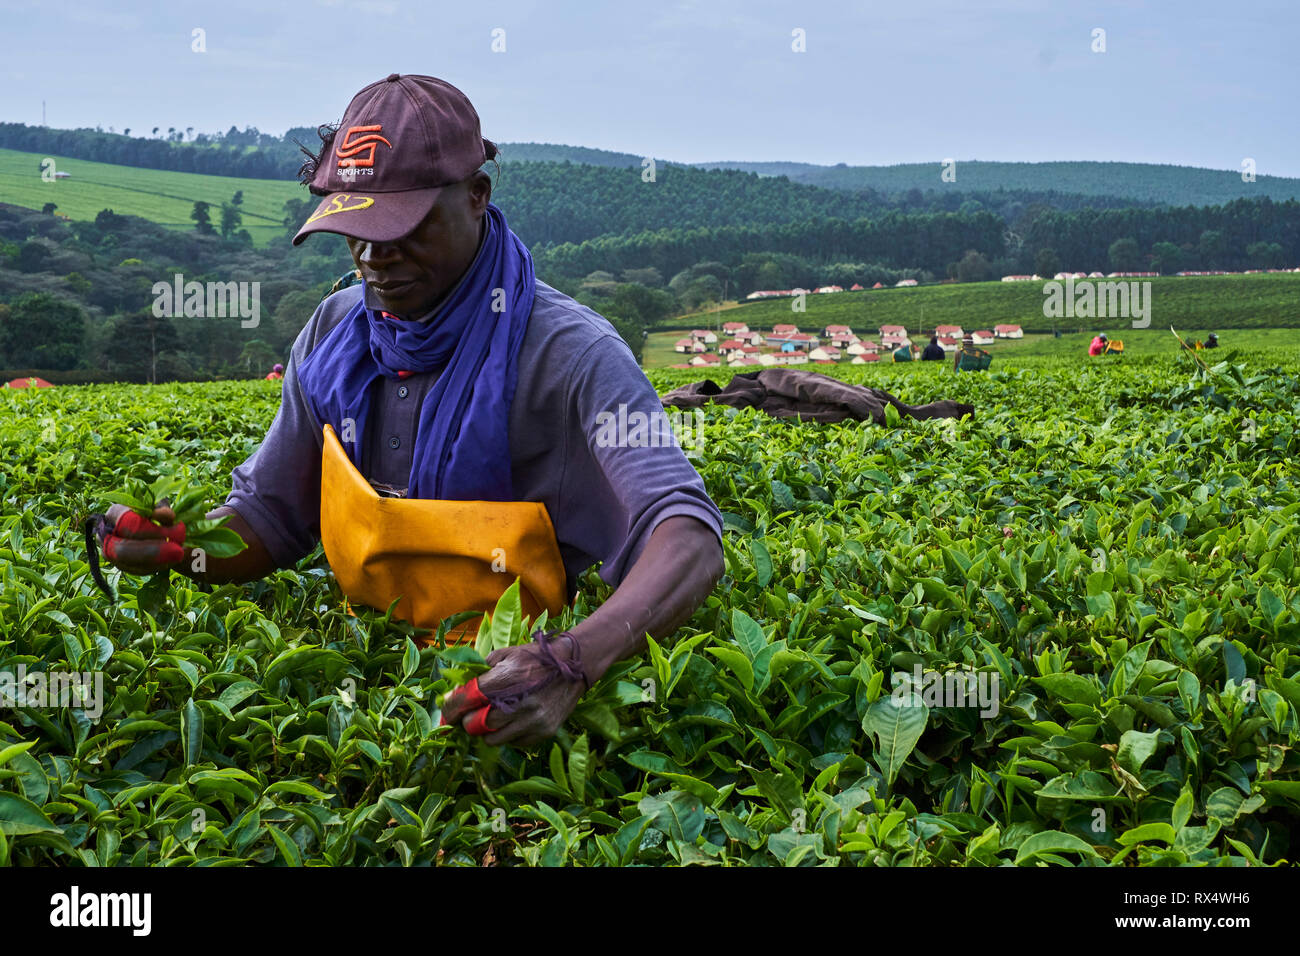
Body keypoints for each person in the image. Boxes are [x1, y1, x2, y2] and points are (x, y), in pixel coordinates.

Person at [95, 74, 724, 747]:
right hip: (363, 694)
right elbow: (269, 520)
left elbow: (686, 535)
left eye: (403, 228)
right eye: (356, 231)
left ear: (477, 197)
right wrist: (180, 545)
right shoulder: (333, 332)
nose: (373, 257)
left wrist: (569, 660)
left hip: (507, 699)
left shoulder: (571, 354)